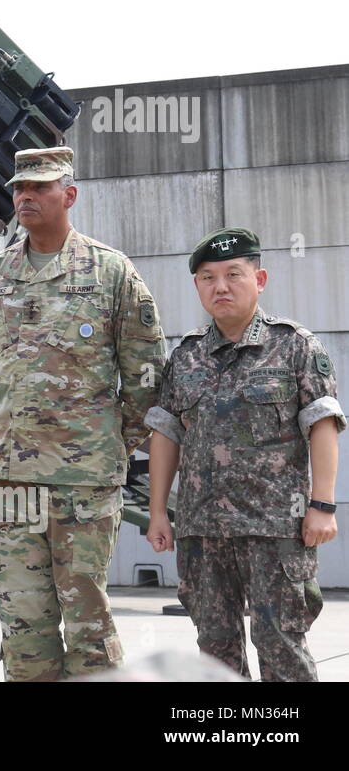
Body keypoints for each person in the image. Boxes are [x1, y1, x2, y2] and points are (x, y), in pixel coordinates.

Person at [0, 146, 165, 681]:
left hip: (82, 480)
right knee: (23, 628)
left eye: (39, 188)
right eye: (19, 188)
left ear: (69, 195)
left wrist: (107, 445)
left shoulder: (110, 272)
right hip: (5, 479)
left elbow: (147, 374)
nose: (25, 197)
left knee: (88, 626)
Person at [146, 227, 342, 681]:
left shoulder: (296, 346)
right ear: (197, 286)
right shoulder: (186, 357)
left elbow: (323, 424)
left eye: (234, 274)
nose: (221, 287)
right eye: (208, 278)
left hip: (275, 528)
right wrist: (159, 511)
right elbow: (165, 434)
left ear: (260, 279)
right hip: (202, 530)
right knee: (214, 650)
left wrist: (323, 505)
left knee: (280, 644)